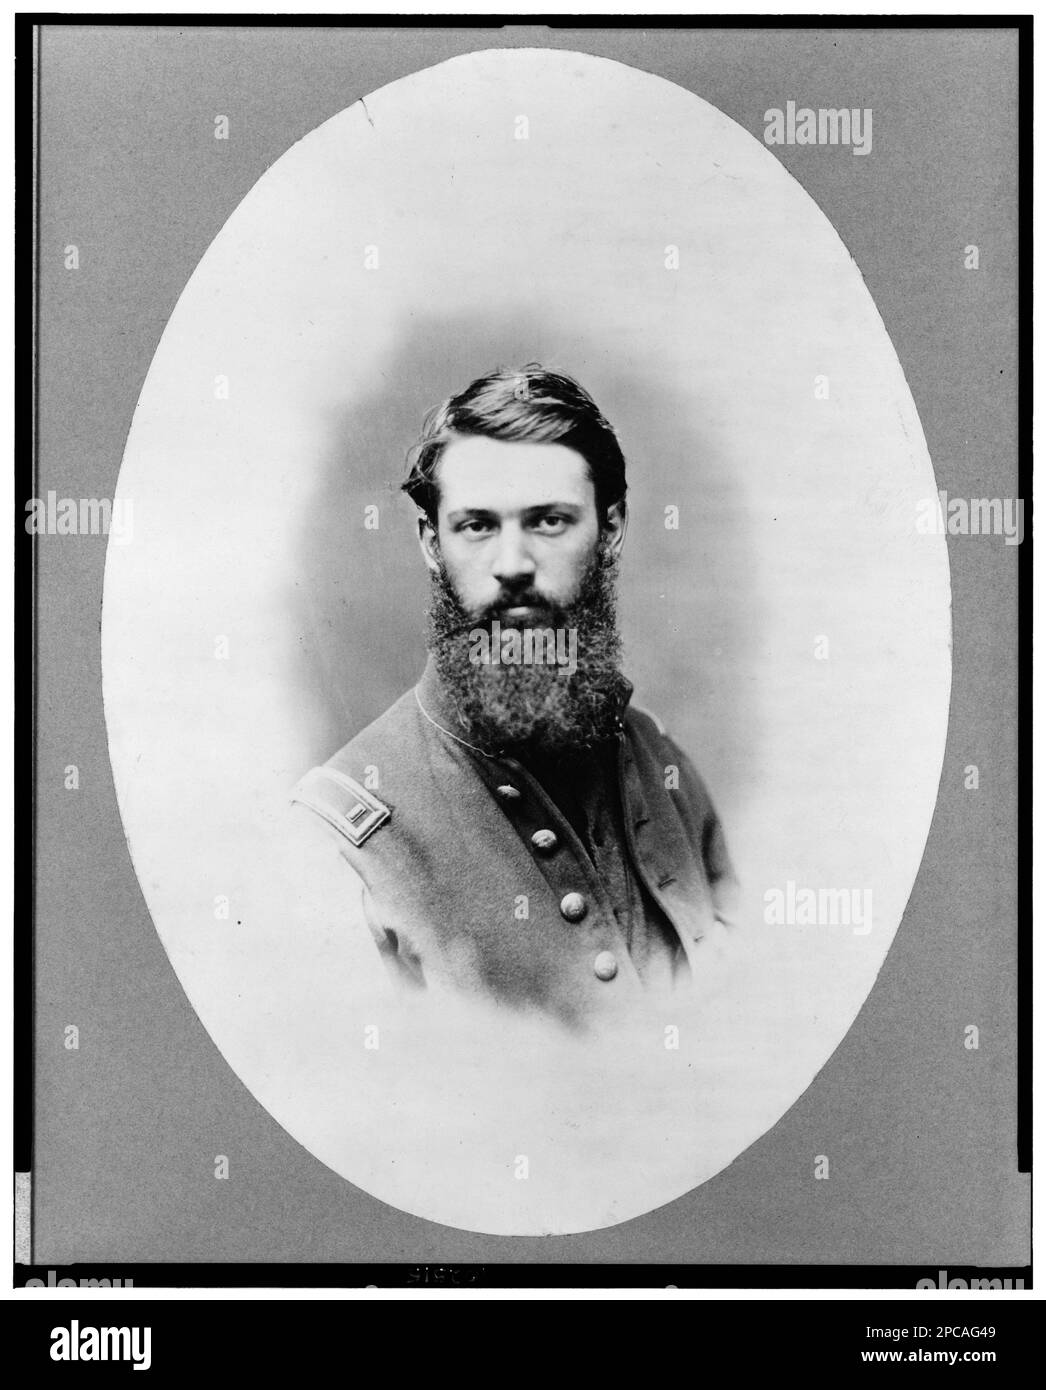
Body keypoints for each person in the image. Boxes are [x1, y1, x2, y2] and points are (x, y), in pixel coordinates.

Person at [292, 364, 737, 1030]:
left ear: (611, 528)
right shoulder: (344, 850)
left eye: (549, 521)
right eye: (476, 526)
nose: (512, 564)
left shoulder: (669, 773)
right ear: (430, 542)